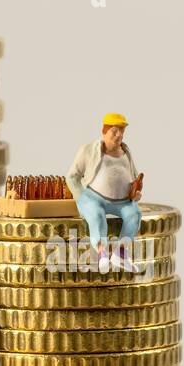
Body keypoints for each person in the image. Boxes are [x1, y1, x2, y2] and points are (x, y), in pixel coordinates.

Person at [64, 112, 144, 273]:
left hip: (122, 201)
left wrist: (135, 194)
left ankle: (121, 254)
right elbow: (72, 177)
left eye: (122, 131)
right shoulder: (88, 150)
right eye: (114, 131)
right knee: (96, 215)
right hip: (94, 197)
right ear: (104, 131)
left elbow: (134, 177)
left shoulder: (126, 153)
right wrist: (81, 198)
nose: (119, 135)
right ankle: (102, 254)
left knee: (134, 215)